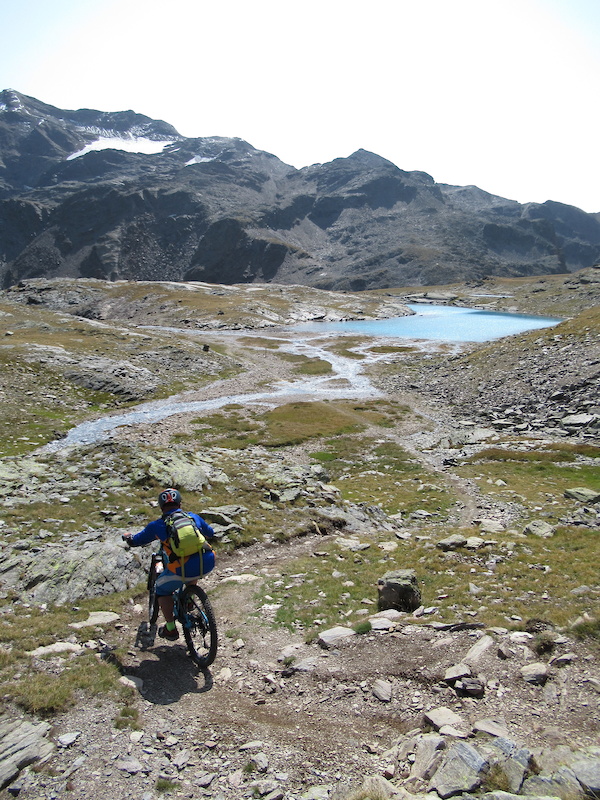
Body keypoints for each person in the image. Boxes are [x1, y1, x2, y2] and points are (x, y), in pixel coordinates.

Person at [123, 488, 215, 641]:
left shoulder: (157, 525)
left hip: (183, 567)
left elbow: (136, 541)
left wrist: (128, 538)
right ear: (180, 504)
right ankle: (189, 599)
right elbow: (210, 533)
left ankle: (171, 629)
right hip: (207, 561)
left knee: (161, 590)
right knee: (191, 571)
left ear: (161, 507)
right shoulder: (192, 517)